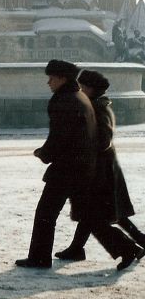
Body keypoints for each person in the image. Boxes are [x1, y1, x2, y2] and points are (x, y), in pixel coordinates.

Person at [17, 60, 142, 270]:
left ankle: (40, 258)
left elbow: (60, 136)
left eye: (51, 78)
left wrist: (45, 153)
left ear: (62, 78)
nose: (48, 82)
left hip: (66, 168)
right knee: (89, 216)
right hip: (83, 168)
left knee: (46, 213)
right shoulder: (79, 98)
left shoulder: (64, 100)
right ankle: (127, 248)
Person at [56, 70, 145, 264]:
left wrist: (81, 146)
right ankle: (77, 249)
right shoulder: (94, 106)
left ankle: (128, 248)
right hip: (99, 169)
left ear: (90, 89)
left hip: (99, 171)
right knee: (106, 211)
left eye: (82, 86)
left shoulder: (97, 109)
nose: (79, 90)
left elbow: (104, 139)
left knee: (93, 213)